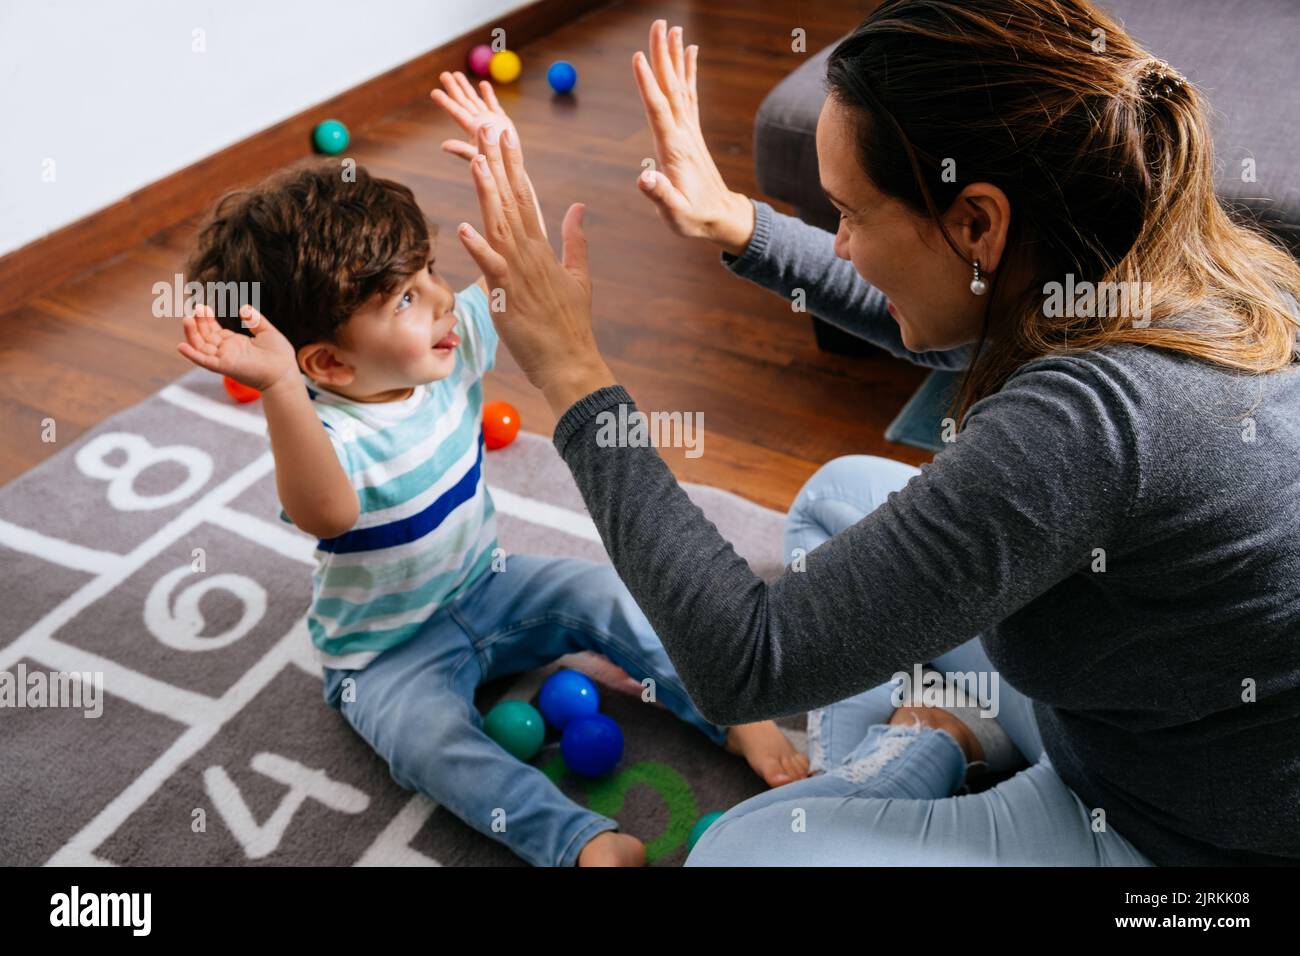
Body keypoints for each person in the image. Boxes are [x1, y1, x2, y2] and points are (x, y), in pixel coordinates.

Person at [449, 5, 1300, 865]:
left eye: (849, 214)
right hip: (1104, 708)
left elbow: (746, 661)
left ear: (977, 224)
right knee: (832, 499)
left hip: (1166, 845)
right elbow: (962, 319)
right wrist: (735, 222)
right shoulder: (1169, 261)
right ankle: (941, 734)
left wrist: (571, 377)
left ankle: (917, 748)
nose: (841, 244)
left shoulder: (1083, 427)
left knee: (733, 856)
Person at [174, 73, 808, 868]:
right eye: (405, 298)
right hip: (385, 655)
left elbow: (517, 273)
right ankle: (581, 842)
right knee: (433, 748)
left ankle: (731, 707)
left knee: (604, 591)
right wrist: (275, 387)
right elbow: (327, 513)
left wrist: (505, 159)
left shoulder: (450, 342)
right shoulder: (324, 431)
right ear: (329, 361)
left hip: (490, 583)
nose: (443, 299)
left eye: (429, 270)